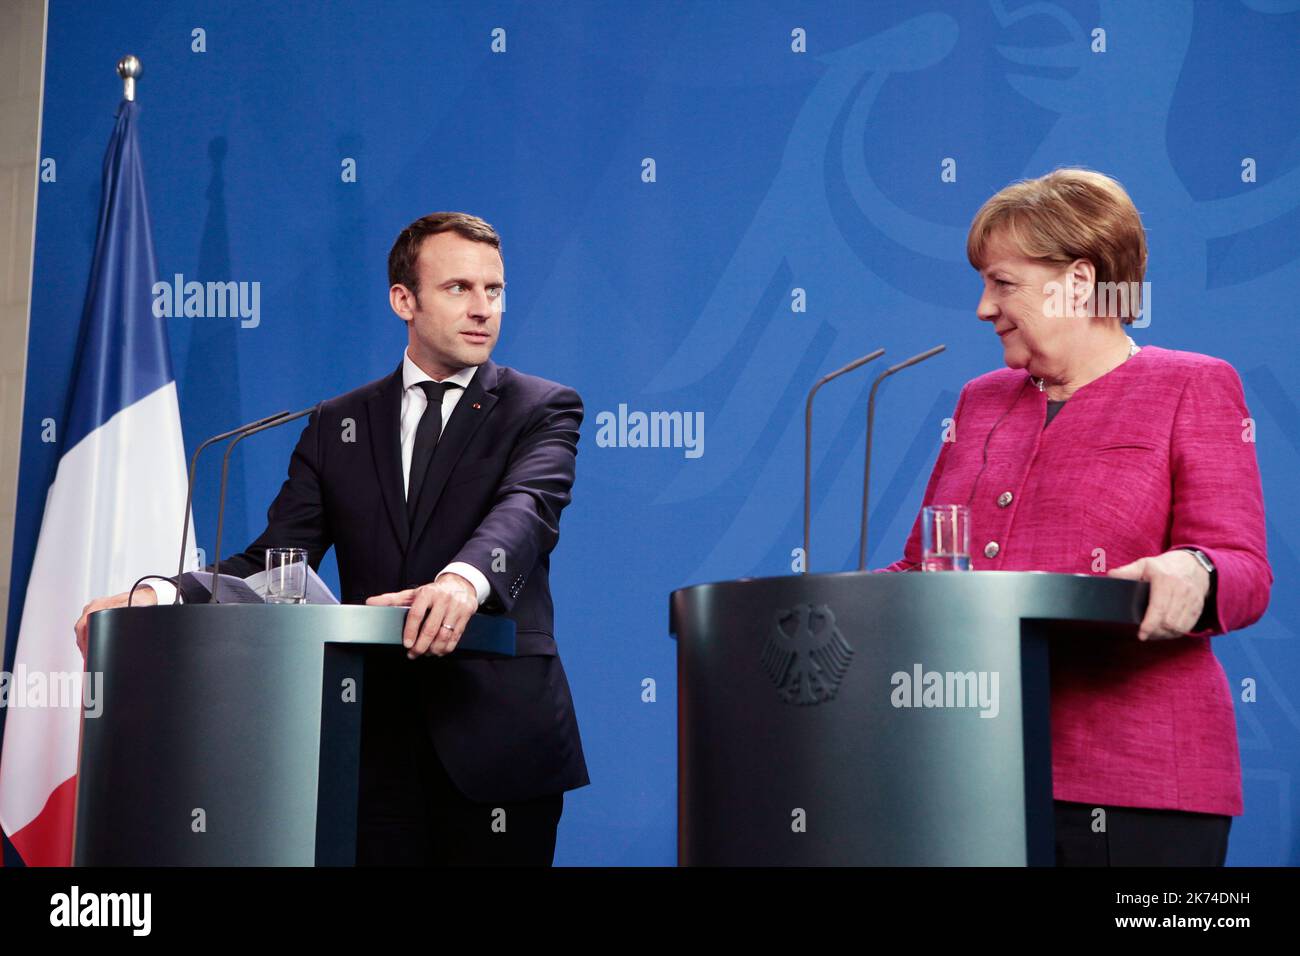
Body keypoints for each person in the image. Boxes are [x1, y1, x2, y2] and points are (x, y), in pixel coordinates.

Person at [75, 212, 589, 865]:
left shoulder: (541, 407)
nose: (483, 308)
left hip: (498, 746)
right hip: (366, 747)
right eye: (459, 288)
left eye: (496, 289)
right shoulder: (336, 424)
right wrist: (158, 596)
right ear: (404, 299)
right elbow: (274, 562)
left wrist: (462, 582)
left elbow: (528, 510)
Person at [877, 169, 1272, 866]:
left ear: (1080, 283)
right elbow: (922, 568)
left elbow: (1243, 569)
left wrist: (1193, 568)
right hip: (971, 777)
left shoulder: (1193, 384)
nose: (981, 308)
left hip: (1141, 786)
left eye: (1002, 284)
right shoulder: (977, 401)